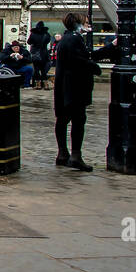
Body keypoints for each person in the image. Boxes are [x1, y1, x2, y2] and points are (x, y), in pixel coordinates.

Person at [53, 13, 100, 171]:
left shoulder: (67, 38)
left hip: (65, 87)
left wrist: (110, 47)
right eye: (86, 23)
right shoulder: (74, 39)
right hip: (74, 87)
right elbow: (81, 60)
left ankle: (63, 153)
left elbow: (84, 56)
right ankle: (75, 156)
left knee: (63, 119)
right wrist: (95, 67)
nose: (88, 25)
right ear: (78, 24)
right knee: (78, 120)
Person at [28, 21, 53, 90]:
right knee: (43, 69)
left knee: (36, 69)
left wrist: (35, 43)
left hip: (35, 53)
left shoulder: (33, 34)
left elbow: (29, 42)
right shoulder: (46, 34)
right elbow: (48, 41)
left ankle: (38, 84)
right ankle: (45, 84)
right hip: (44, 53)